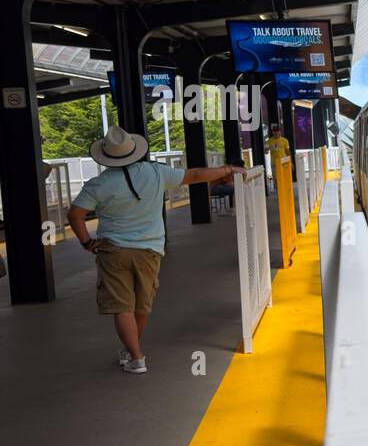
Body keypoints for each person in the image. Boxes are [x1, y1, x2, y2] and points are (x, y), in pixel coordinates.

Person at [67, 124, 246, 374]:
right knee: (142, 305)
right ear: (134, 150)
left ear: (107, 156)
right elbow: (194, 175)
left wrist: (87, 242)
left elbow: (75, 215)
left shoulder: (98, 184)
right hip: (149, 250)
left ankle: (137, 356)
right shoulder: (156, 172)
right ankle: (132, 351)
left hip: (113, 251)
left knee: (122, 306)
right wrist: (228, 169)